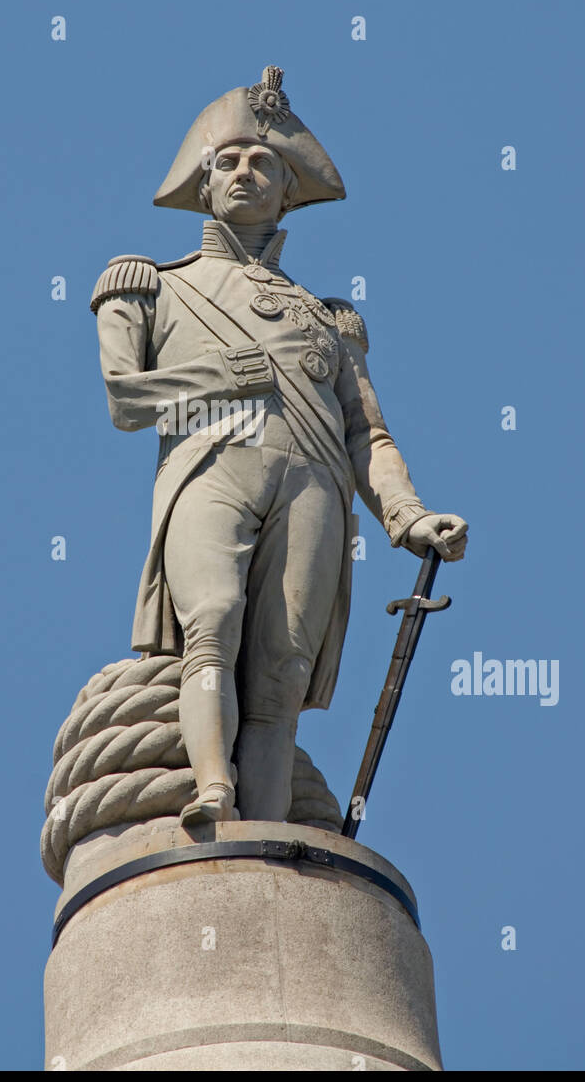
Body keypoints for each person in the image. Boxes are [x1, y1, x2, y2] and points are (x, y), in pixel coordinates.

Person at [91, 66, 467, 825]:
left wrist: (410, 517)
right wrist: (216, 374)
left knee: (281, 674)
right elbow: (125, 402)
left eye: (264, 162)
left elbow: (369, 434)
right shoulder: (148, 283)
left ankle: (259, 834)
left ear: (289, 187)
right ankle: (210, 794)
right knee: (214, 619)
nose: (244, 171)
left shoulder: (331, 319)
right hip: (209, 462)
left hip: (314, 484)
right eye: (226, 160)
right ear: (202, 181)